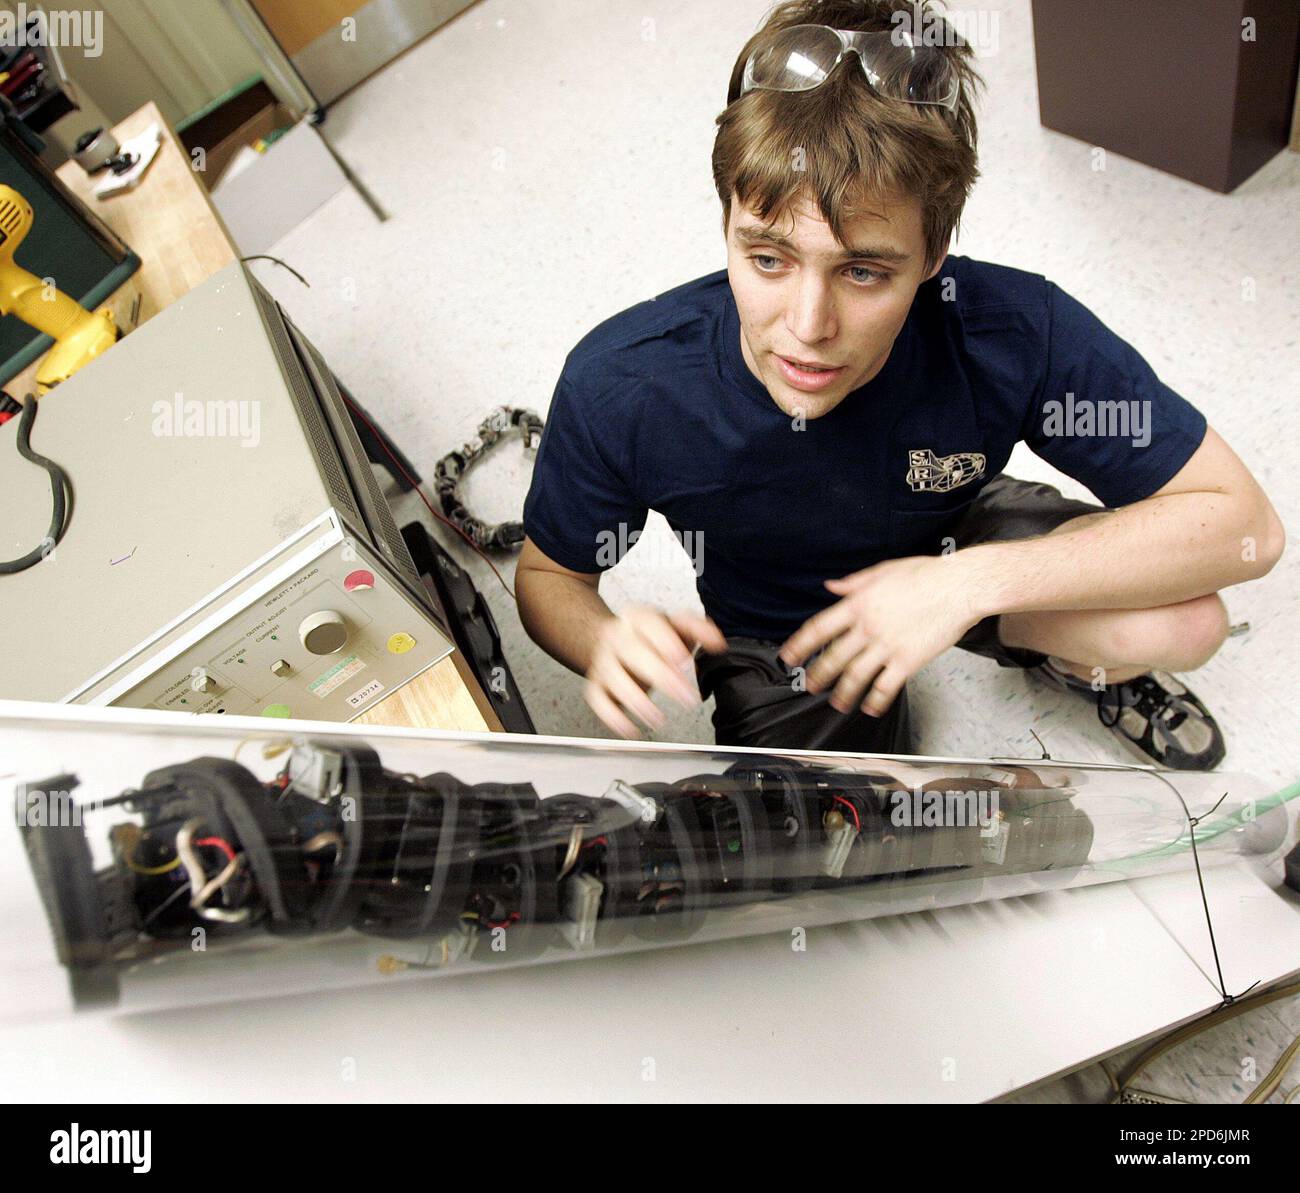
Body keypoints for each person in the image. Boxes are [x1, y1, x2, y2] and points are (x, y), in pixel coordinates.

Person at [516, 0, 1285, 770]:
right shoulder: (625, 382)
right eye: (769, 259)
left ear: (933, 254)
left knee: (1184, 624)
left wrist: (964, 584)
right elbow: (551, 576)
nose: (808, 326)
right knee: (827, 832)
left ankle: (1061, 656)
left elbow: (1244, 524)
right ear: (728, 227)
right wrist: (601, 639)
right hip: (788, 637)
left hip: (950, 544)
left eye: (863, 271)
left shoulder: (1010, 329)